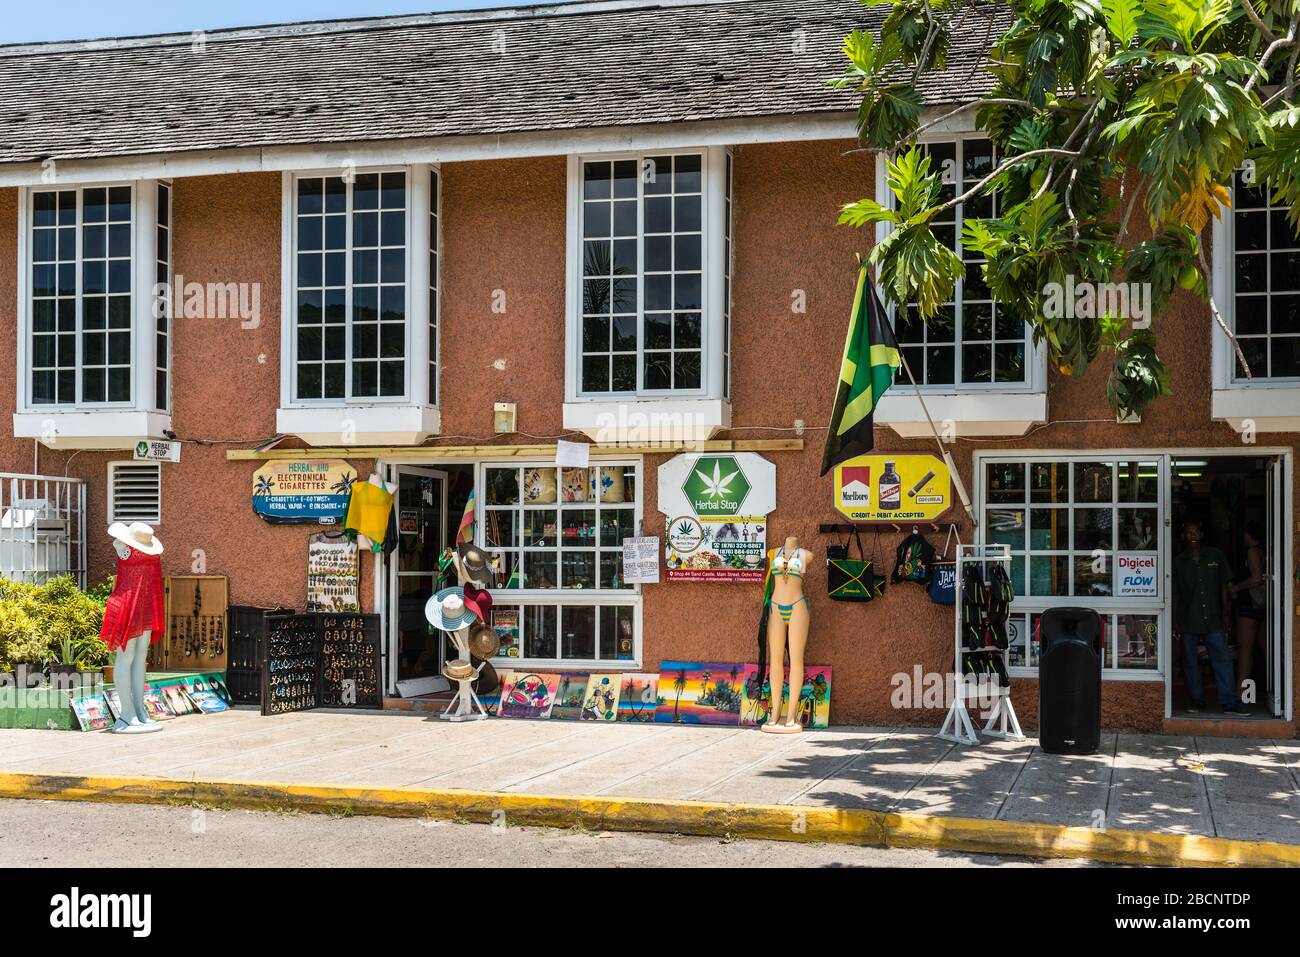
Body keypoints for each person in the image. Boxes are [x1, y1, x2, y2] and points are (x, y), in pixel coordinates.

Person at [1172, 519, 1249, 716]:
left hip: (1214, 617)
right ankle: (1197, 701)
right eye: (1189, 532)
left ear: (1202, 534)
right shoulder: (1178, 562)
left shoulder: (1216, 556)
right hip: (1189, 618)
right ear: (1183, 536)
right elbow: (1175, 595)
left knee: (1222, 659)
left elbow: (1224, 586)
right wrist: (1174, 621)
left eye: (1196, 531)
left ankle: (1229, 703)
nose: (1193, 535)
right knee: (1190, 663)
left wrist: (1226, 613)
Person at [1229, 523, 1267, 706]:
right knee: (1266, 650)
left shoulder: (1252, 551)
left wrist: (1237, 587)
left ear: (1249, 535)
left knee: (1245, 652)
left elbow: (1256, 578)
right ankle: (1274, 689)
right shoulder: (1263, 550)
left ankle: (1242, 694)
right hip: (1262, 606)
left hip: (1249, 606)